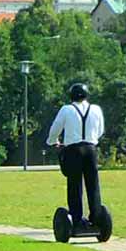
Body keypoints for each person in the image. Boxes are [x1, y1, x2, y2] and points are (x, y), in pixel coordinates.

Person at [45, 82, 105, 226]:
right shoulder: (96, 109)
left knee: (75, 184)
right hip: (91, 149)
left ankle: (77, 219)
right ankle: (96, 217)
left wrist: (52, 142)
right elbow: (100, 130)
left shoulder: (66, 109)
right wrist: (91, 139)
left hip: (74, 150)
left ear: (71, 96)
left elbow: (55, 128)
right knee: (93, 184)